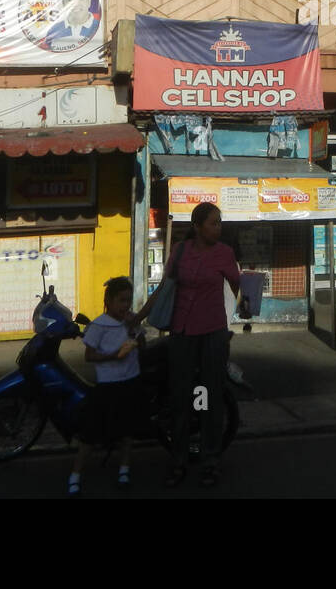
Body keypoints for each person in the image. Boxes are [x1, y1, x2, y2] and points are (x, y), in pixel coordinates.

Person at [134, 201, 240, 487]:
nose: (219, 228)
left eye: (220, 222)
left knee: (206, 398)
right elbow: (164, 288)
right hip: (181, 335)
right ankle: (178, 461)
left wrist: (227, 319)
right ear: (197, 226)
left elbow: (236, 286)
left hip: (212, 335)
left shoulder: (224, 254)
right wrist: (138, 317)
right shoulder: (180, 252)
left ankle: (209, 461)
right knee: (179, 399)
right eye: (214, 223)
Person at [68, 275, 145, 496]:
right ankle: (75, 475)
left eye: (129, 300)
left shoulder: (130, 322)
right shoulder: (98, 325)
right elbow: (89, 356)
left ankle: (124, 469)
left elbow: (143, 346)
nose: (126, 305)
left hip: (130, 382)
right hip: (107, 386)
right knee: (91, 434)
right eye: (121, 300)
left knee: (127, 431)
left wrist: (134, 331)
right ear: (109, 300)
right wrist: (114, 356)